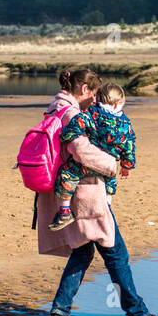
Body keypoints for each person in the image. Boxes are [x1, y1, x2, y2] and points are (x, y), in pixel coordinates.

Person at [38, 68, 158, 316]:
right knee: (116, 253)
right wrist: (113, 164)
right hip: (87, 191)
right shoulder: (72, 112)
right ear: (84, 90)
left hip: (72, 190)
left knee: (84, 251)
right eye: (95, 94)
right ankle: (137, 314)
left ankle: (60, 313)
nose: (97, 101)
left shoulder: (57, 108)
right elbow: (79, 149)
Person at [50, 83, 136, 231]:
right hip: (109, 165)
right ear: (119, 103)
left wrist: (64, 136)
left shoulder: (91, 114)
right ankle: (107, 209)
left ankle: (64, 212)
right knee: (110, 187)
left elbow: (76, 126)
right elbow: (129, 146)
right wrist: (127, 166)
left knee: (66, 175)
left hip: (86, 164)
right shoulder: (126, 124)